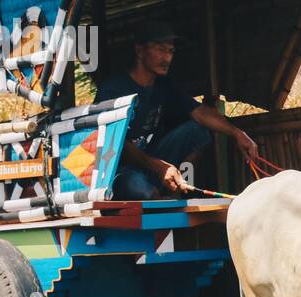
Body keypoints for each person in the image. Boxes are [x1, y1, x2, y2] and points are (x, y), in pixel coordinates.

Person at [95, 20, 258, 199]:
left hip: (153, 164)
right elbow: (117, 145)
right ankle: (160, 199)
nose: (167, 58)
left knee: (197, 131)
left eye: (171, 51)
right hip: (118, 172)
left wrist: (237, 133)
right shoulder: (114, 89)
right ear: (140, 51)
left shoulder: (164, 86)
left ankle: (178, 189)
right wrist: (160, 167)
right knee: (144, 192)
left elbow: (200, 113)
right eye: (160, 49)